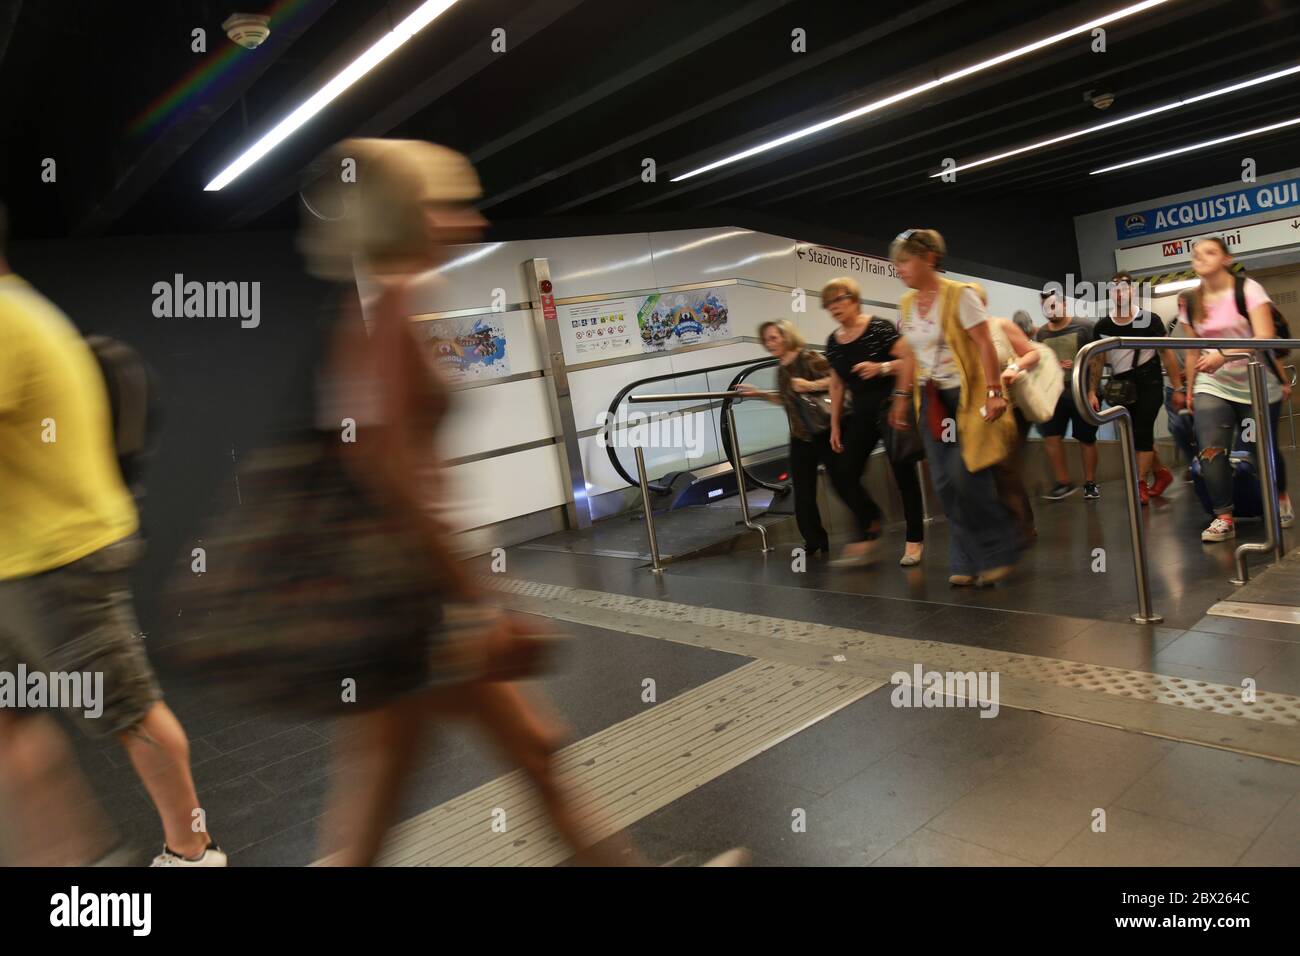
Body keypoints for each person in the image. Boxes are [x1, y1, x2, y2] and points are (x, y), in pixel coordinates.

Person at [0, 200, 225, 866]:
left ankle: (193, 854)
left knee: (130, 714)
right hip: (17, 562)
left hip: (58, 561)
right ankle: (63, 859)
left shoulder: (7, 318)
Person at [892, 229, 1018, 586]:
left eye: (905, 260)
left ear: (929, 258)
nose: (899, 269)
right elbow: (911, 355)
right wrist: (902, 399)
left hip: (966, 397)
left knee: (968, 476)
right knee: (946, 483)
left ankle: (998, 552)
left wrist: (995, 392)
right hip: (930, 400)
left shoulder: (959, 295)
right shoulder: (906, 304)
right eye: (896, 262)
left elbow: (985, 345)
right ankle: (965, 560)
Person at [1180, 237, 1294, 541]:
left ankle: (1280, 496)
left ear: (1227, 259)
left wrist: (1224, 354)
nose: (1200, 257)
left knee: (1262, 449)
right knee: (1211, 448)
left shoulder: (1247, 289)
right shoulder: (1190, 301)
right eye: (1196, 254)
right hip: (1213, 382)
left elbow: (1265, 336)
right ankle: (1224, 517)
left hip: (1255, 381)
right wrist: (1190, 389)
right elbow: (1193, 350)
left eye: (1210, 252)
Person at [821, 278, 924, 566]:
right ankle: (870, 522)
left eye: (839, 299)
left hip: (891, 408)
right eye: (829, 303)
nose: (834, 307)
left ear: (854, 299)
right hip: (861, 416)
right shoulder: (833, 341)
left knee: (903, 475)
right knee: (843, 473)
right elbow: (837, 385)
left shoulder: (878, 328)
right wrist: (835, 424)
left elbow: (909, 360)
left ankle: (914, 540)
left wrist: (881, 368)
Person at [736, 320, 838, 556]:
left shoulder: (809, 357)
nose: (769, 344)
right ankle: (814, 540)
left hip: (823, 431)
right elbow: (784, 398)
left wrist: (810, 385)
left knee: (842, 482)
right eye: (766, 340)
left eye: (774, 337)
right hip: (800, 436)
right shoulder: (782, 369)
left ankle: (867, 530)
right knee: (802, 491)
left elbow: (835, 380)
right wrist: (759, 394)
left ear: (787, 336)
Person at [1083, 272, 1181, 506]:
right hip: (1122, 386)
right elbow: (1097, 361)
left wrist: (1177, 386)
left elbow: (1166, 353)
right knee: (1137, 435)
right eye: (1114, 288)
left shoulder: (1150, 320)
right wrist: (1091, 391)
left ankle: (1140, 484)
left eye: (1124, 288)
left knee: (1143, 430)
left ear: (1133, 292)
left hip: (1150, 382)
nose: (1119, 292)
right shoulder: (1103, 326)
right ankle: (1162, 473)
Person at [970, 286, 1042, 549]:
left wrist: (1014, 367)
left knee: (1006, 466)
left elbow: (1033, 353)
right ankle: (1011, 525)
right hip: (981, 409)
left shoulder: (1000, 325)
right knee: (991, 468)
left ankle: (1022, 527)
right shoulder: (961, 336)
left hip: (1014, 406)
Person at [1033, 289, 1099, 499]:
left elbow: (1098, 360)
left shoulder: (1085, 327)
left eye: (1053, 305)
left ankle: (1090, 483)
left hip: (1080, 392)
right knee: (1051, 436)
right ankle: (1063, 482)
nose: (1050, 311)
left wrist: (1092, 391)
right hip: (1055, 394)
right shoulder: (1042, 333)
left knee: (1086, 438)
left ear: (1063, 305)